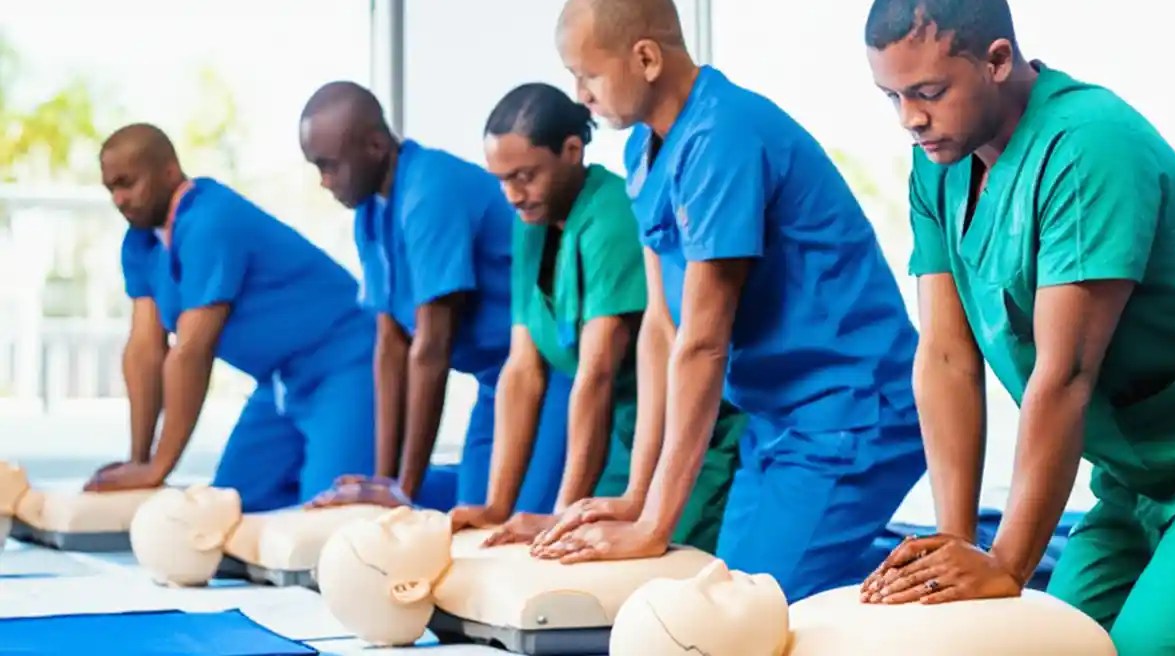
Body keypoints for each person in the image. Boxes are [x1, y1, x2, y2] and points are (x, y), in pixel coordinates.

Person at [858, 0, 1175, 656]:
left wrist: (1006, 567)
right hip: (1137, 477)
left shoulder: (1089, 143)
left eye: (928, 90)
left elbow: (1065, 374)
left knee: (1148, 646)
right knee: (1052, 642)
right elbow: (944, 357)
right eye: (892, 96)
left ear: (997, 60)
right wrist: (955, 547)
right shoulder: (939, 164)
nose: (911, 118)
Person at [536, 0, 926, 603]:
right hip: (777, 421)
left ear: (645, 57)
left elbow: (705, 343)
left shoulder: (724, 135)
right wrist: (637, 498)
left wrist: (655, 525)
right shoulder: (644, 151)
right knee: (726, 604)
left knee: (749, 609)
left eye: (588, 75)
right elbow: (663, 331)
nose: (578, 94)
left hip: (851, 409)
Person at [449, 83, 744, 553]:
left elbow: (597, 374)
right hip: (626, 434)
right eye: (501, 180)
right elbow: (523, 371)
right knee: (587, 548)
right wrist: (496, 507)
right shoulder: (533, 225)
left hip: (689, 431)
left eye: (524, 176)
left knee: (659, 567)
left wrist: (562, 514)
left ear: (571, 151)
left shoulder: (610, 216)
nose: (512, 195)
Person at [298, 82, 570, 514]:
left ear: (374, 144)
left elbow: (431, 349)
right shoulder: (369, 215)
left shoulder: (429, 191)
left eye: (330, 166)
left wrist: (403, 492)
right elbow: (391, 346)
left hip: (553, 367)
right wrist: (383, 482)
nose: (325, 181)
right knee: (474, 514)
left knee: (522, 521)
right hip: (496, 381)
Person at [88, 123, 378, 513]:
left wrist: (159, 467)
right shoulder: (140, 243)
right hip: (279, 382)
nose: (120, 199)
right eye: (111, 189)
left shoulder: (211, 220)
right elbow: (145, 350)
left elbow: (191, 352)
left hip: (348, 363)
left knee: (335, 512)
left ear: (169, 171)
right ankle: (332, 465)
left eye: (128, 183)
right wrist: (138, 461)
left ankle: (452, 486)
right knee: (228, 512)